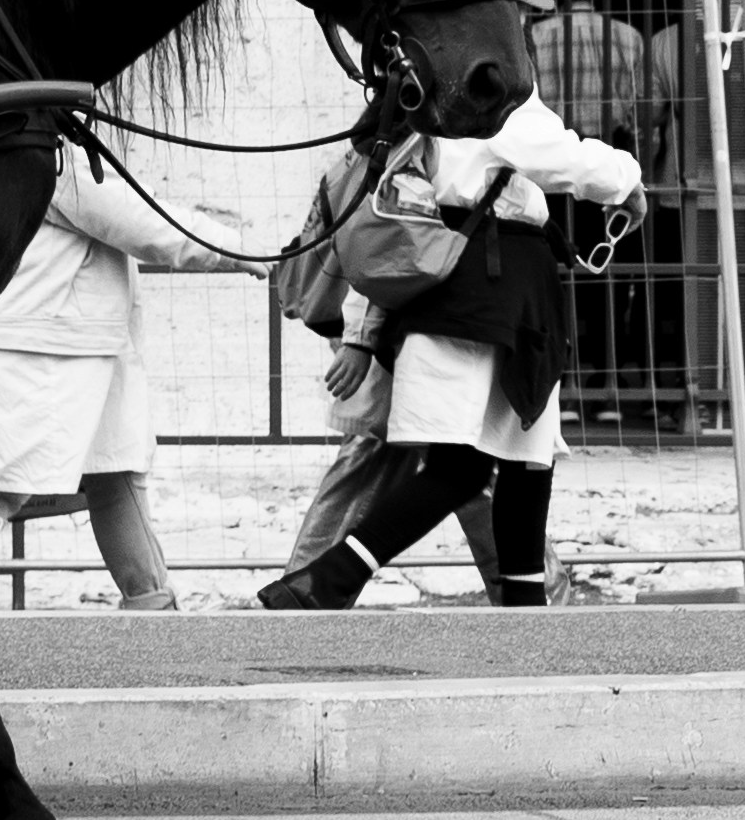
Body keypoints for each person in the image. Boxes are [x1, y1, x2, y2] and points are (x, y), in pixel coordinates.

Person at [260, 61, 644, 610]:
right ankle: (327, 579)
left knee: (519, 459)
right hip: (489, 291)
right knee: (472, 466)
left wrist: (363, 335)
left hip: (466, 293)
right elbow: (551, 152)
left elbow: (394, 232)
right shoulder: (486, 84)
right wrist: (627, 180)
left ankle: (523, 607)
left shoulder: (417, 101)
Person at [0, 151, 226, 609]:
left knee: (117, 480)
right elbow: (141, 223)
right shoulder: (56, 154)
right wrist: (237, 249)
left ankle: (153, 616)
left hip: (81, 345)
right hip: (44, 349)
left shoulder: (17, 143)